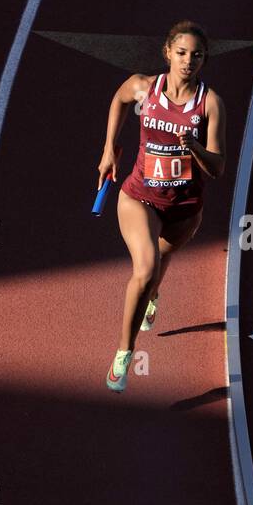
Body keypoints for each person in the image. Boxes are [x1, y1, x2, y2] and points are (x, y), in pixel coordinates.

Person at [97, 21, 226, 392]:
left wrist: (194, 147)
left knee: (160, 264)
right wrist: (109, 148)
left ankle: (153, 294)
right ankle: (124, 353)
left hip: (184, 206)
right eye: (182, 53)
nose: (188, 61)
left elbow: (217, 167)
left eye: (197, 55)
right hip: (138, 195)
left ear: (204, 60)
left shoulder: (210, 103)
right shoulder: (144, 88)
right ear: (167, 52)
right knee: (146, 267)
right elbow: (119, 100)